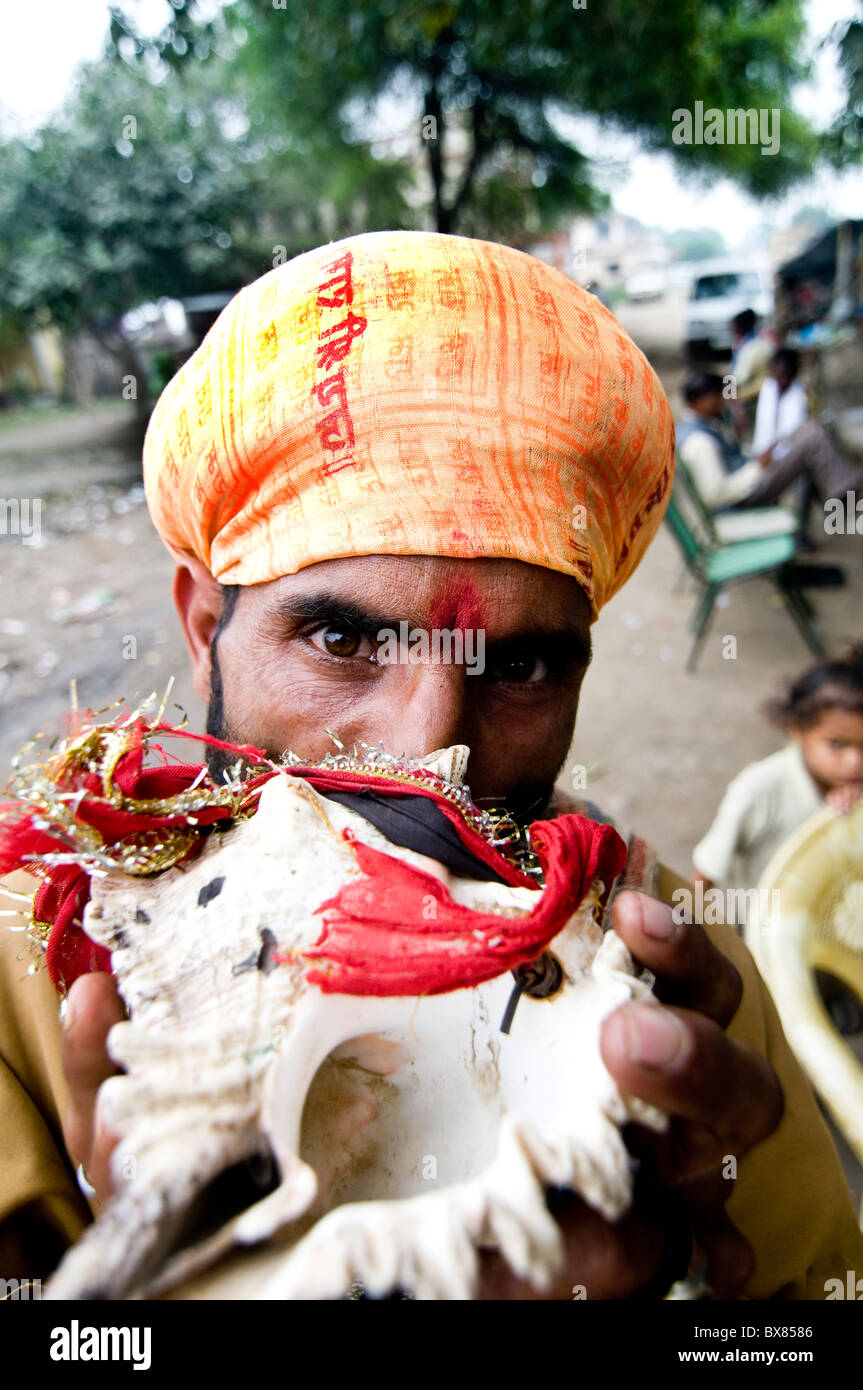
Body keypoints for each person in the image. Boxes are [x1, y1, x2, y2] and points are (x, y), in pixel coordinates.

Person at [2, 230, 862, 1300]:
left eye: (522, 665)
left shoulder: (671, 965)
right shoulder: (25, 965)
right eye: (343, 640)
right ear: (201, 626)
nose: (428, 754)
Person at [692, 645, 863, 1025]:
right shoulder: (758, 790)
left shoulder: (854, 788)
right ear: (798, 730)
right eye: (838, 745)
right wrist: (697, 932)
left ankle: (833, 998)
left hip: (834, 915)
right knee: (773, 996)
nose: (854, 762)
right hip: (764, 918)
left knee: (826, 971)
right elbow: (706, 869)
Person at [678, 358, 860, 522]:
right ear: (701, 400)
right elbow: (717, 493)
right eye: (718, 396)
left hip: (748, 478)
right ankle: (846, 496)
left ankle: (842, 496)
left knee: (808, 432)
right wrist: (757, 466)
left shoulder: (705, 424)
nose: (722, 401)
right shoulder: (699, 441)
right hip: (743, 496)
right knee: (812, 437)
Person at [727, 308, 773, 440]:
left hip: (752, 397)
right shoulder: (761, 342)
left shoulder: (750, 349)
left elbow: (737, 379)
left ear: (740, 328)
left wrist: (729, 399)